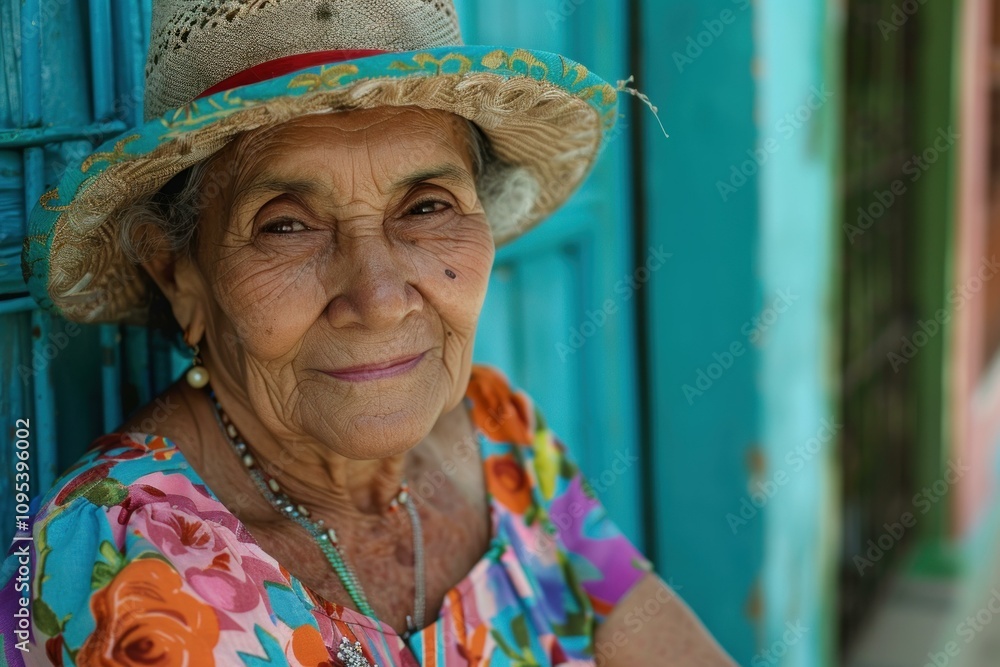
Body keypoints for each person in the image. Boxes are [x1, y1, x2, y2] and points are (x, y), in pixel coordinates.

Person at [2, 1, 735, 665]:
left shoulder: (504, 437)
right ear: (178, 275)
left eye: (425, 206)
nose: (380, 299)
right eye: (286, 224)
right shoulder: (120, 575)